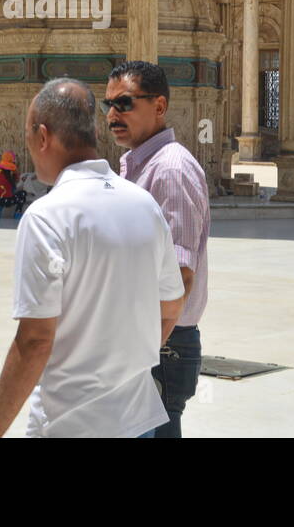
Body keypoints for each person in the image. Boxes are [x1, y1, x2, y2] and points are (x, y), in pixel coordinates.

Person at [0, 78, 185, 438]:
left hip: (70, 426)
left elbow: (34, 342)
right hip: (137, 421)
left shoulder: (47, 216)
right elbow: (171, 304)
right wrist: (126, 365)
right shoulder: (143, 204)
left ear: (42, 137)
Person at [105, 60, 211, 438]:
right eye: (109, 105)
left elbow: (180, 275)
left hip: (161, 344)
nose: (113, 115)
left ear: (160, 106)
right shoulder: (138, 165)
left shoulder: (169, 170)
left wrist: (144, 348)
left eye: (125, 104)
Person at [0, 150, 20, 219]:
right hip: (9, 197)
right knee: (23, 194)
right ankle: (17, 213)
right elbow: (16, 181)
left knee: (1, 194)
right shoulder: (12, 170)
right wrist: (16, 171)